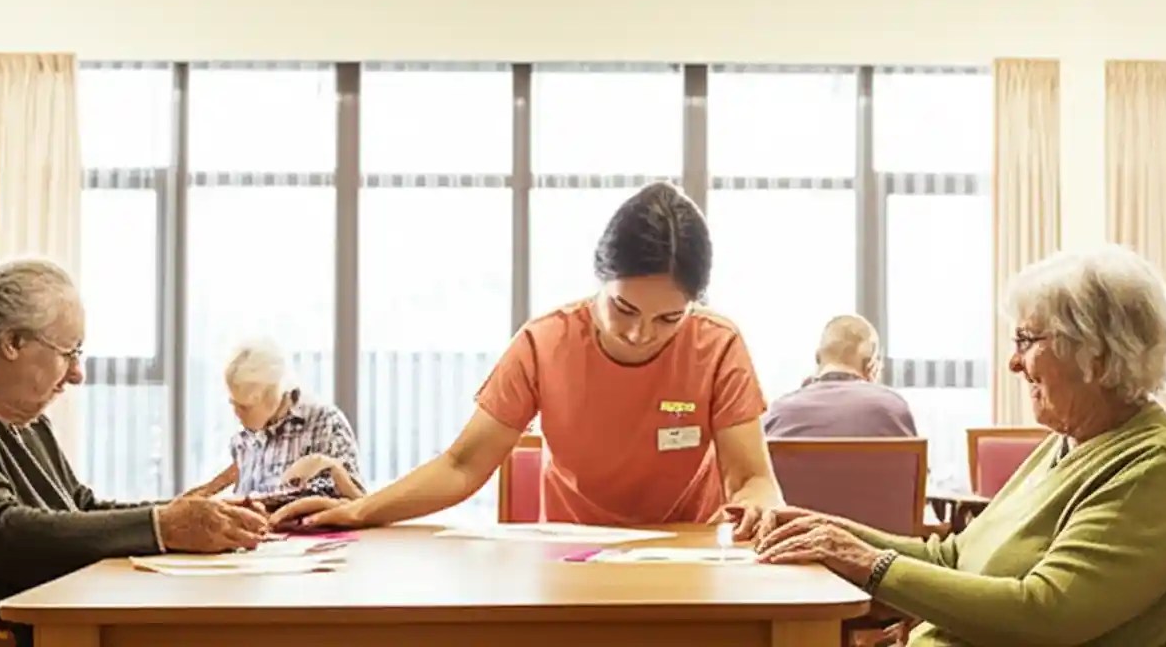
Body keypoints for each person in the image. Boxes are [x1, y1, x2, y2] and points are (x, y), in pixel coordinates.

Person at [751, 245, 1166, 646]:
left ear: (1097, 355)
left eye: (1027, 340)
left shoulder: (1157, 468)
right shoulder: (1066, 443)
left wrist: (868, 562)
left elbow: (1044, 613)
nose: (1013, 362)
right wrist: (828, 532)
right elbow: (951, 557)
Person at [273, 181, 782, 536]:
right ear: (599, 280)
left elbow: (750, 477)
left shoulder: (717, 345)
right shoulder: (545, 343)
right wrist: (361, 511)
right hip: (572, 552)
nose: (638, 333)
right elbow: (463, 464)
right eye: (623, 308)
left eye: (668, 319)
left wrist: (758, 504)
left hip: (689, 555)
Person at [0, 257, 268, 643]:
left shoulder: (23, 414)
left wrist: (185, 516)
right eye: (68, 352)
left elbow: (79, 508)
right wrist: (163, 525)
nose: (76, 374)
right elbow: (1, 532)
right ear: (12, 341)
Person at [185, 337, 366, 500]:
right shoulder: (243, 439)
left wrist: (326, 466)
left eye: (245, 407)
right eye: (233, 404)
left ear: (274, 394)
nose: (237, 415)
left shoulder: (325, 422)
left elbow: (360, 505)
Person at [762, 314, 916, 438]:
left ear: (818, 358)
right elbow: (918, 474)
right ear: (871, 367)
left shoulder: (778, 414)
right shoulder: (893, 410)